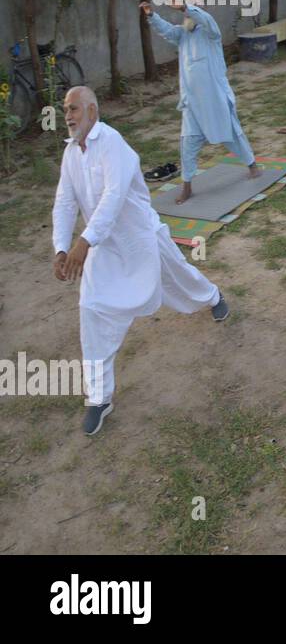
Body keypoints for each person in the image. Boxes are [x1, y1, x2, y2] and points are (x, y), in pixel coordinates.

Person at [52, 87, 231, 436]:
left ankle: (213, 297)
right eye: (64, 110)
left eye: (73, 109)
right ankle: (99, 397)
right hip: (104, 247)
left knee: (181, 277)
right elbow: (64, 201)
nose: (68, 116)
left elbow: (113, 197)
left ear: (92, 110)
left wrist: (84, 242)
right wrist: (62, 248)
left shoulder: (112, 143)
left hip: (141, 239)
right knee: (91, 307)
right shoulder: (72, 153)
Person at [140, 0, 259, 205]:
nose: (186, 16)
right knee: (187, 143)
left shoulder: (211, 33)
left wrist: (186, 7)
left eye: (190, 12)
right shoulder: (182, 34)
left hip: (215, 101)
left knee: (232, 133)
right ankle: (187, 186)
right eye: (185, 14)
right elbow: (166, 30)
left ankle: (252, 166)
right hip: (192, 104)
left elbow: (205, 19)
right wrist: (151, 15)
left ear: (198, 12)